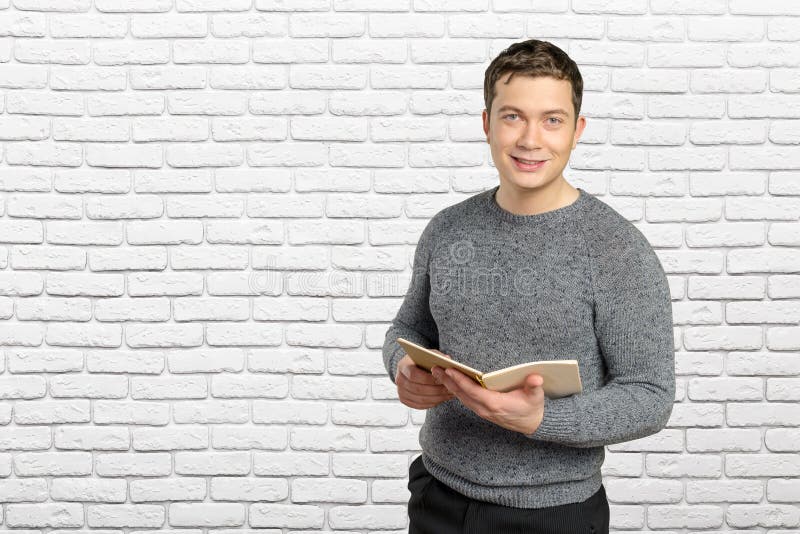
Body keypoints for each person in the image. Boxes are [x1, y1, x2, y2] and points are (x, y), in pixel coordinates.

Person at [381, 39, 675, 534]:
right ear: (486, 124)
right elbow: (408, 327)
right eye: (513, 116)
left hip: (557, 514)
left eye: (552, 119)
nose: (531, 139)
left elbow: (649, 396)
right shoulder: (447, 230)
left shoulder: (618, 249)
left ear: (577, 131)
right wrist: (403, 367)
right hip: (437, 497)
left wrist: (542, 421)